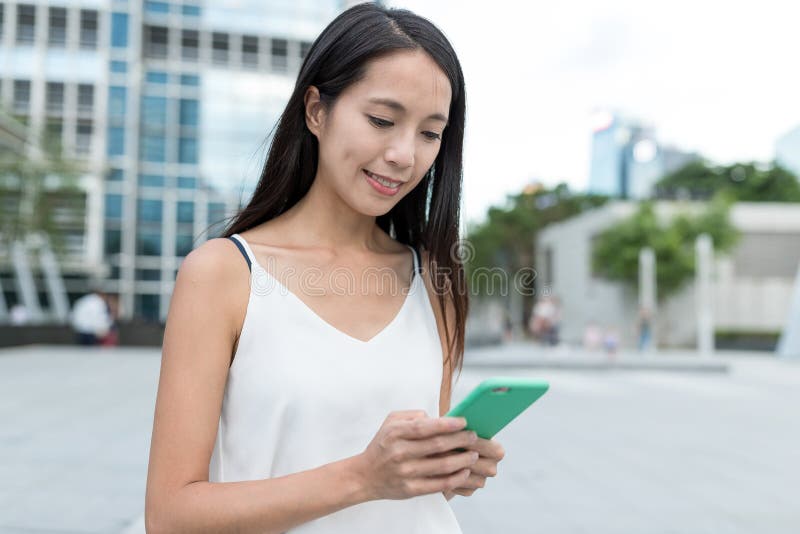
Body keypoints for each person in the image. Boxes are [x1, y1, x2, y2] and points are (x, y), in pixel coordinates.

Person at [145, 5, 504, 533]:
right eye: (382, 120)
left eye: (431, 133)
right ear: (316, 110)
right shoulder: (223, 274)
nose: (404, 154)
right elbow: (171, 515)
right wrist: (363, 476)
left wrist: (451, 466)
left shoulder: (437, 281)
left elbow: (410, 485)